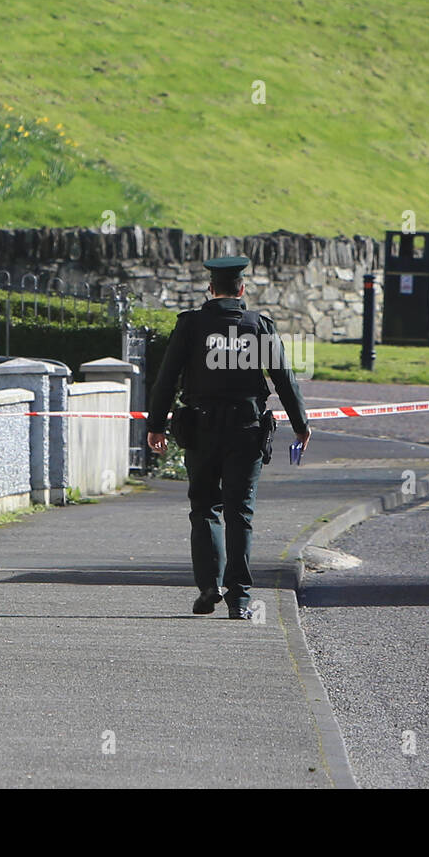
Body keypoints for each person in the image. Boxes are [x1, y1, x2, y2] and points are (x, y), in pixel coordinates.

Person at [147, 256, 311, 619]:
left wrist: (155, 425)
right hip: (246, 431)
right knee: (240, 512)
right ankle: (240, 598)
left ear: (211, 289)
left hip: (201, 430)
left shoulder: (191, 325)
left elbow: (166, 379)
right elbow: (284, 378)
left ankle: (209, 584)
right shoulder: (259, 326)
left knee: (205, 507)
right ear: (241, 289)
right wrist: (301, 424)